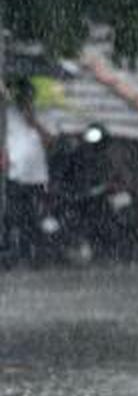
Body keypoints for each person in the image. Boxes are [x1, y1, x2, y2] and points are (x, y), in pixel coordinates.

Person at [3, 76, 51, 262]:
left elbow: (50, 142)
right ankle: (17, 252)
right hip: (15, 175)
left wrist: (34, 122)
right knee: (16, 215)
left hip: (38, 177)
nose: (25, 99)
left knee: (35, 217)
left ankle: (36, 253)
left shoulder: (45, 114)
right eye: (22, 95)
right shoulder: (7, 114)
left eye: (28, 95)